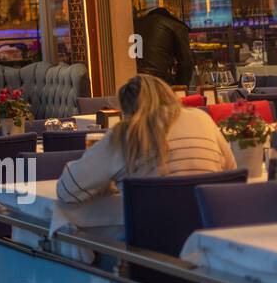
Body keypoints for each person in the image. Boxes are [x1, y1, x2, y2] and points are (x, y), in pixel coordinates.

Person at [54, 74, 236, 238]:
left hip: (150, 244)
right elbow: (231, 172)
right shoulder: (201, 118)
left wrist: (105, 183)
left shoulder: (126, 133)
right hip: (208, 235)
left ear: (126, 110)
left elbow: (67, 191)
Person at [133, 5, 195, 87]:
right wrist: (180, 88)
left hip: (132, 80)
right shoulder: (176, 26)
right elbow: (186, 64)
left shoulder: (135, 24)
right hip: (159, 82)